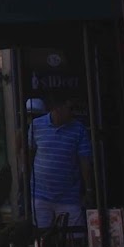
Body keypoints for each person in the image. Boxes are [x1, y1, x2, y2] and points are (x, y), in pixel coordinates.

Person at [28, 93, 94, 229]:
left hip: (69, 196)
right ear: (58, 108)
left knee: (74, 237)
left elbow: (84, 160)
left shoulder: (79, 129)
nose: (72, 112)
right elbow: (28, 153)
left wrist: (88, 189)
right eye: (69, 108)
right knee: (42, 238)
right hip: (41, 195)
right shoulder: (36, 126)